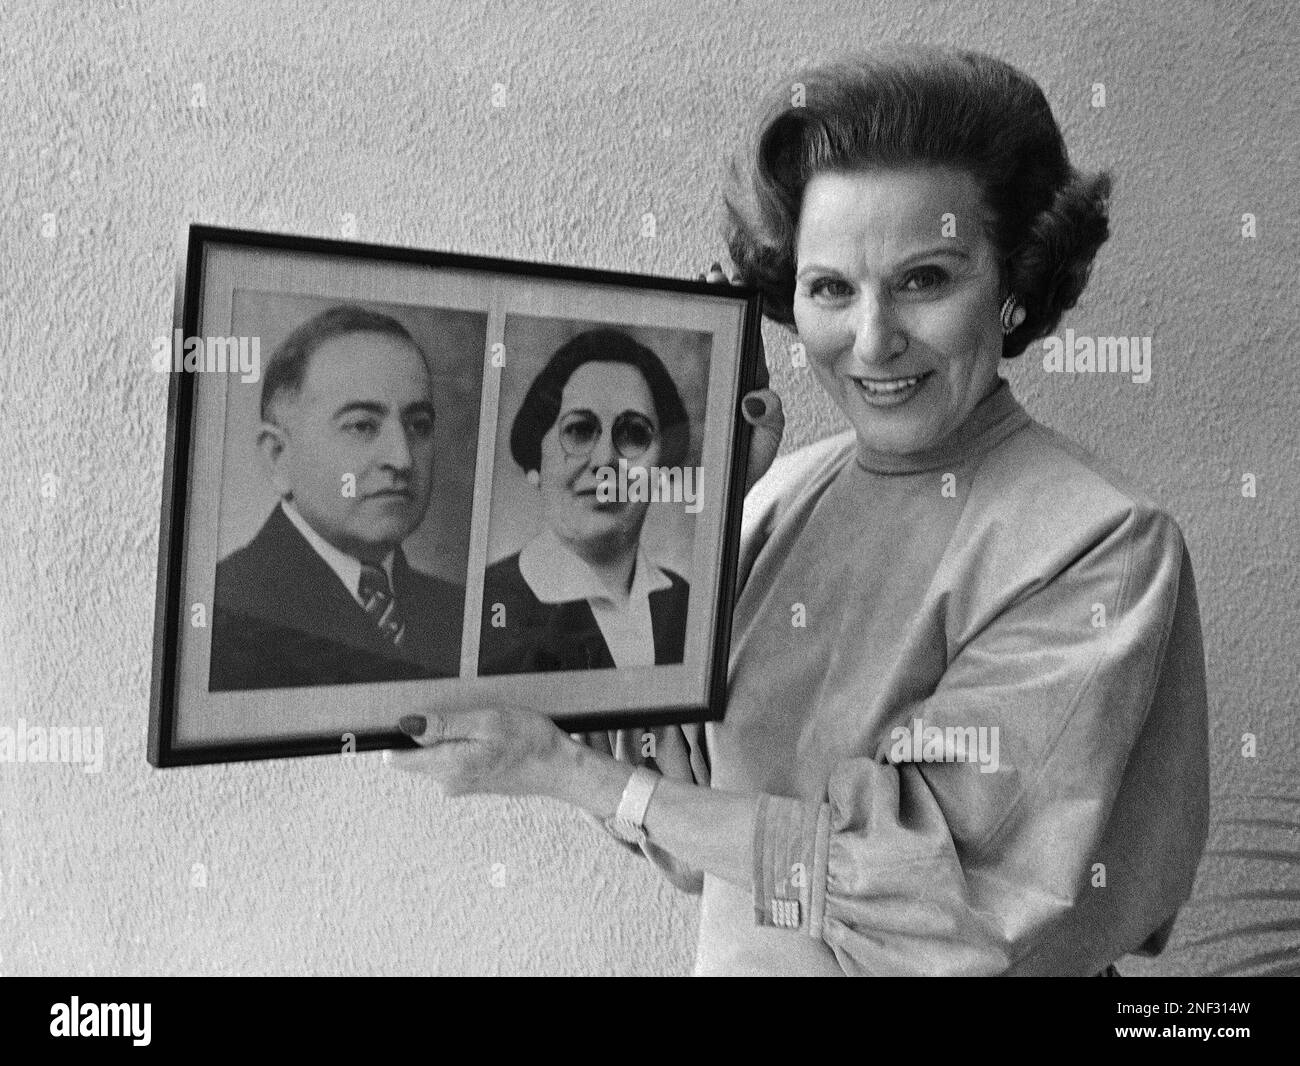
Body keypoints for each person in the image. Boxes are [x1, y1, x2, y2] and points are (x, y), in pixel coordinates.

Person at [391, 46, 1209, 976]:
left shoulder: (1100, 542)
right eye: (830, 288)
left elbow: (923, 900)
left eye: (926, 279)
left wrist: (568, 776)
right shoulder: (777, 495)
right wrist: (684, 532)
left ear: (1016, 284)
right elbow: (684, 814)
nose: (872, 338)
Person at [209, 305, 464, 691]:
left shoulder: (457, 613)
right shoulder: (222, 613)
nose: (403, 458)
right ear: (278, 456)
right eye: (361, 425)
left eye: (419, 425)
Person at [478, 328, 691, 674]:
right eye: (579, 430)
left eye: (635, 433)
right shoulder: (480, 604)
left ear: (662, 469)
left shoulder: (689, 604)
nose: (605, 460)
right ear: (536, 463)